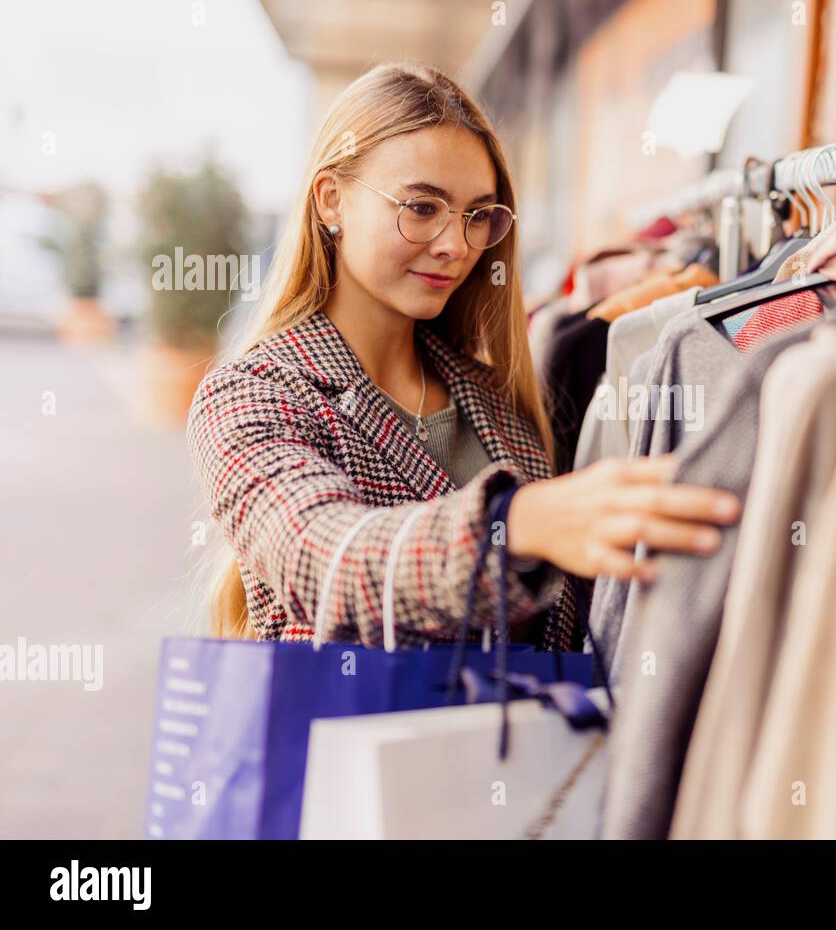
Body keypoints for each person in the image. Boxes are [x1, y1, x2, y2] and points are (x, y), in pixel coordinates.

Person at [187, 62, 739, 653]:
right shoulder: (253, 392)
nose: (456, 244)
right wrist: (514, 525)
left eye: (478, 215)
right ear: (331, 201)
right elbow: (323, 557)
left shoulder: (495, 398)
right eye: (422, 207)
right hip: (339, 743)